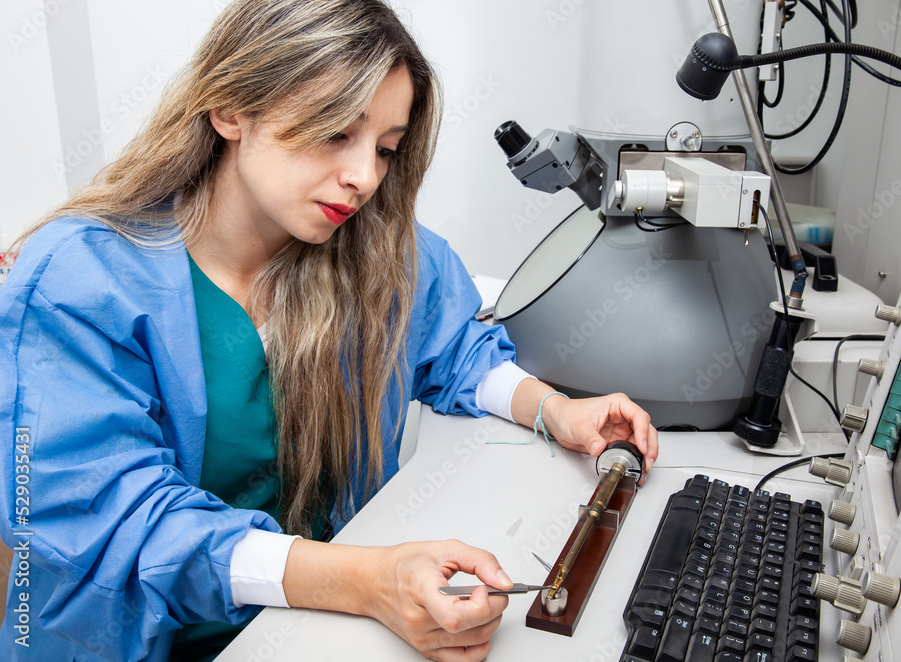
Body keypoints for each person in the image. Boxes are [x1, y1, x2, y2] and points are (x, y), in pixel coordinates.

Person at [0, 1, 659, 660]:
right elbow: (123, 526)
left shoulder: (369, 250)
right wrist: (366, 581)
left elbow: (455, 350)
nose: (365, 177)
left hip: (314, 622)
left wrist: (558, 412)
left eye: (386, 149)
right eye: (336, 132)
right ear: (231, 108)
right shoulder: (79, 278)